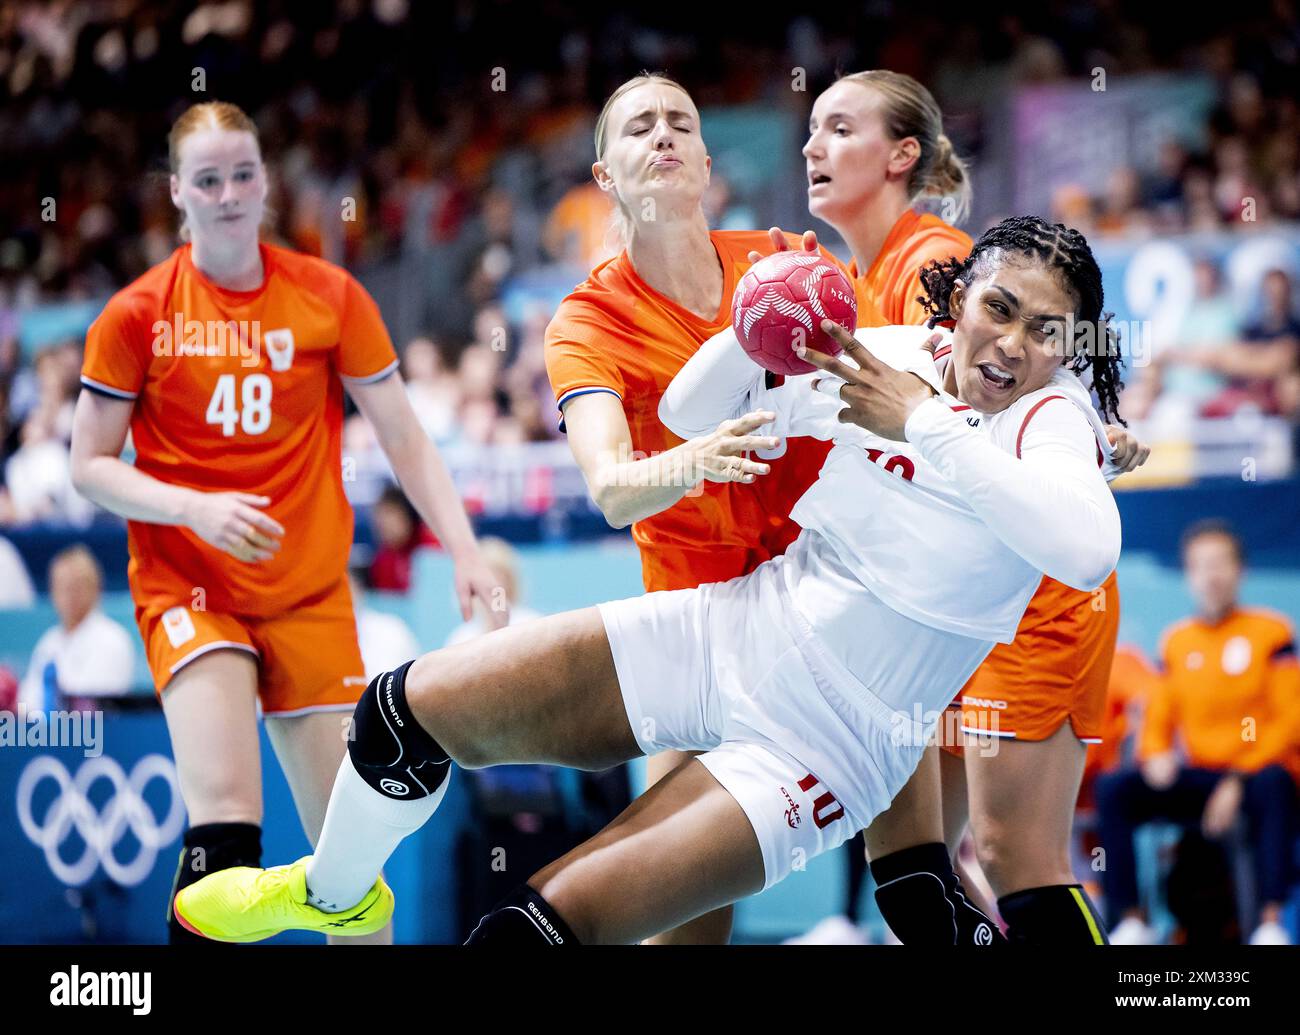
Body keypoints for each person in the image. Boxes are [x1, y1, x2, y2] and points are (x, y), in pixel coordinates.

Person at [174, 215, 1124, 947]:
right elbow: (685, 408)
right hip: (729, 632)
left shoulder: (1053, 421)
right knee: (396, 713)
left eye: (1047, 330)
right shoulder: (894, 356)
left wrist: (924, 424)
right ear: (961, 299)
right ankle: (331, 894)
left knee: (527, 931)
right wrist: (753, 329)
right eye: (999, 308)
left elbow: (1084, 549)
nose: (1012, 345)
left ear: (1069, 348)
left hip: (828, 751)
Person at [69, 101, 503, 946]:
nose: (229, 193)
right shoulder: (135, 314)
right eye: (208, 179)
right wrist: (193, 506)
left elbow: (404, 435)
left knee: (348, 865)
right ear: (177, 195)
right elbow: (89, 466)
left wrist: (462, 547)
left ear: (266, 181)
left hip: (307, 591)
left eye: (243, 174)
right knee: (227, 829)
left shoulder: (329, 294)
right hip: (191, 587)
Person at [796, 69, 1145, 946]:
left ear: (902, 155)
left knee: (1008, 857)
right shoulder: (854, 275)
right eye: (811, 128)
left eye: (840, 128)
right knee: (916, 870)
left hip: (1029, 595)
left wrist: (1095, 432)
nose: (812, 146)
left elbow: (1027, 382)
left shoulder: (933, 266)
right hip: (950, 600)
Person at [542, 72, 845, 945]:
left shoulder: (788, 262)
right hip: (698, 625)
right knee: (688, 911)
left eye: (681, 123)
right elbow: (608, 485)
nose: (664, 135)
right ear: (606, 175)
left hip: (828, 594)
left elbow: (879, 382)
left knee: (933, 854)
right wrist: (694, 459)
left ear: (708, 161)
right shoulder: (588, 320)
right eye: (640, 127)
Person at [1096, 520, 1300, 945]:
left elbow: (1290, 721)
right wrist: (1155, 754)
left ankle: (1270, 923)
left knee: (1275, 784)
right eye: (1200, 566)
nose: (1211, 575)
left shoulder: (1271, 633)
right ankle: (1132, 921)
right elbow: (1159, 713)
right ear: (1189, 575)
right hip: (1202, 776)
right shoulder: (1177, 642)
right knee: (1115, 788)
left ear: (1239, 571)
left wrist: (1237, 778)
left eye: (1220, 564)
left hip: (1257, 773)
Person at [18, 545, 135, 711]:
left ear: (95, 588)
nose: (68, 595)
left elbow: (95, 702)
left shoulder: (112, 639)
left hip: (96, 734)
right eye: (61, 587)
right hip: (42, 734)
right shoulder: (48, 641)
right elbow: (27, 700)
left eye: (76, 587)